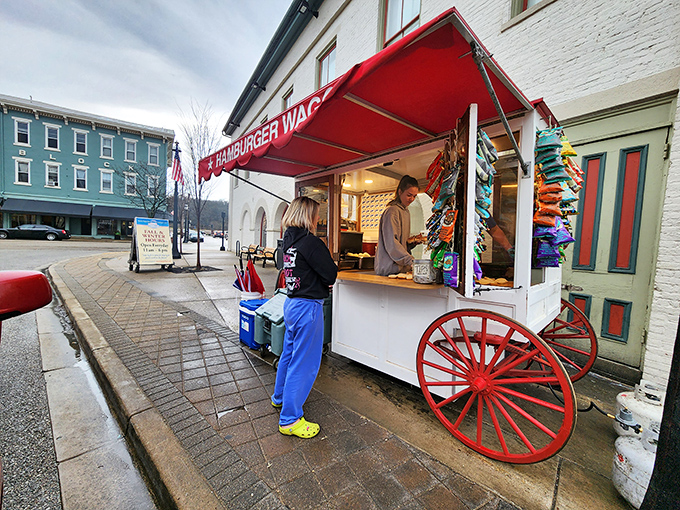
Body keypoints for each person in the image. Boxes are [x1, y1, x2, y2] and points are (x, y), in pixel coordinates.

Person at [271, 196, 338, 438]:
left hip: (291, 304)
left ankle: (280, 397)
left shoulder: (287, 243)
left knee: (288, 356)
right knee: (305, 363)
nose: (319, 218)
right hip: (308, 308)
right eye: (317, 214)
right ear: (308, 216)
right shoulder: (312, 243)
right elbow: (330, 274)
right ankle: (290, 419)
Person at [375, 175, 425, 276]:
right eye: (409, 195)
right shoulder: (392, 211)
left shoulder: (405, 211)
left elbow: (402, 243)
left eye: (414, 196)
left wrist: (413, 242)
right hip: (389, 270)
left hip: (400, 269)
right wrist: (411, 261)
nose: (411, 199)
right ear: (400, 192)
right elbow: (392, 243)